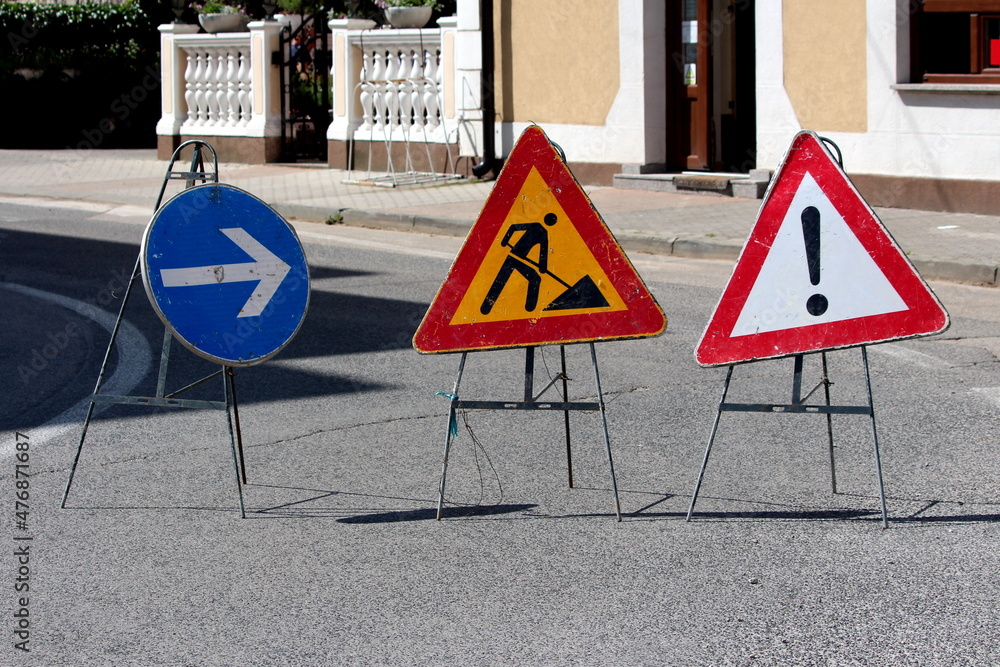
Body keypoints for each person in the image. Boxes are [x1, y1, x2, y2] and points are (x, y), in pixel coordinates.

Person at [480, 213, 558, 315]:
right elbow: (543, 254)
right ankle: (530, 311)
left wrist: (505, 240)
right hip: (516, 259)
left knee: (500, 281)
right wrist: (542, 268)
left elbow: (543, 253)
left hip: (514, 258)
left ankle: (485, 308)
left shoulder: (537, 227)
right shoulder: (542, 231)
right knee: (534, 279)